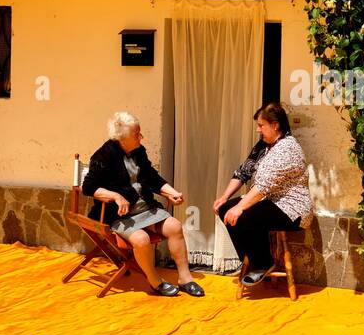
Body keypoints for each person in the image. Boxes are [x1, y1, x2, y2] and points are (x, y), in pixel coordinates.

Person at [82, 111, 204, 298]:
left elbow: (151, 178)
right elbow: (89, 187)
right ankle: (155, 281)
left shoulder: (138, 151)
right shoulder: (103, 156)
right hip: (120, 215)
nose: (141, 137)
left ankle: (185, 278)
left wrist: (171, 192)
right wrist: (115, 196)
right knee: (141, 240)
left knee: (174, 226)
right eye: (136, 134)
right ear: (122, 138)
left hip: (145, 207)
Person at [214, 102, 312, 286]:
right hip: (271, 202)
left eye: (261, 126)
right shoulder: (263, 146)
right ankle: (251, 259)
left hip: (292, 210)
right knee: (225, 209)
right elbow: (243, 171)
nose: (258, 130)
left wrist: (239, 208)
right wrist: (224, 198)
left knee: (244, 215)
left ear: (275, 125)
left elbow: (262, 187)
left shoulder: (287, 149)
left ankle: (262, 263)